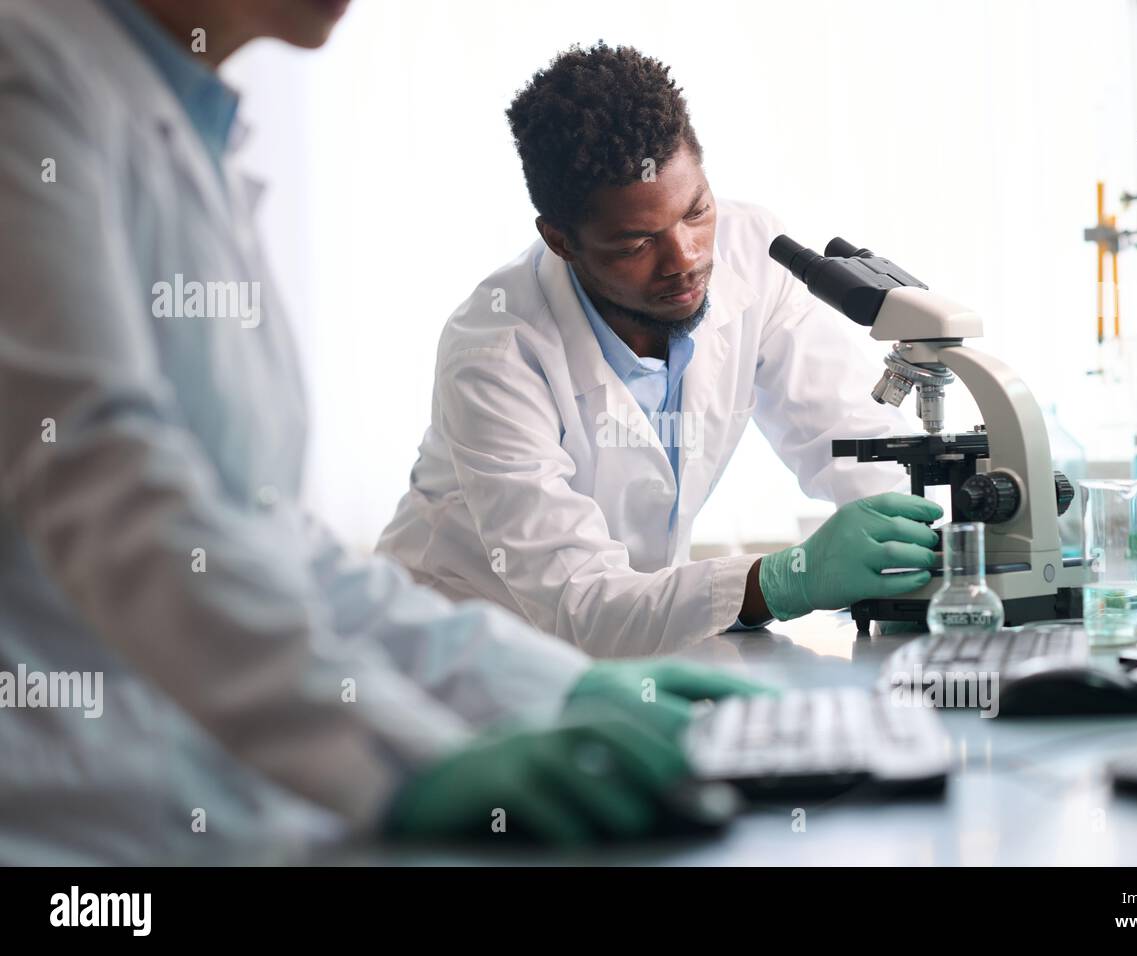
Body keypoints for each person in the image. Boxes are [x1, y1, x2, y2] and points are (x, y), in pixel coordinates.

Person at [0, 0, 763, 864]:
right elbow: (107, 487)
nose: (684, 256)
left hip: (202, 804)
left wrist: (562, 688)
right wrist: (404, 762)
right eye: (635, 240)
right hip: (63, 826)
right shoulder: (28, 79)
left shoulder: (178, 116)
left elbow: (273, 545)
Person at [379, 42, 945, 657]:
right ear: (561, 240)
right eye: (636, 243)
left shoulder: (753, 251)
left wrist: (936, 552)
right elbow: (579, 601)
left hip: (635, 641)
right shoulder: (494, 355)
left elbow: (855, 441)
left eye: (696, 210)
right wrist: (789, 578)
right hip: (466, 653)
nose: (688, 259)